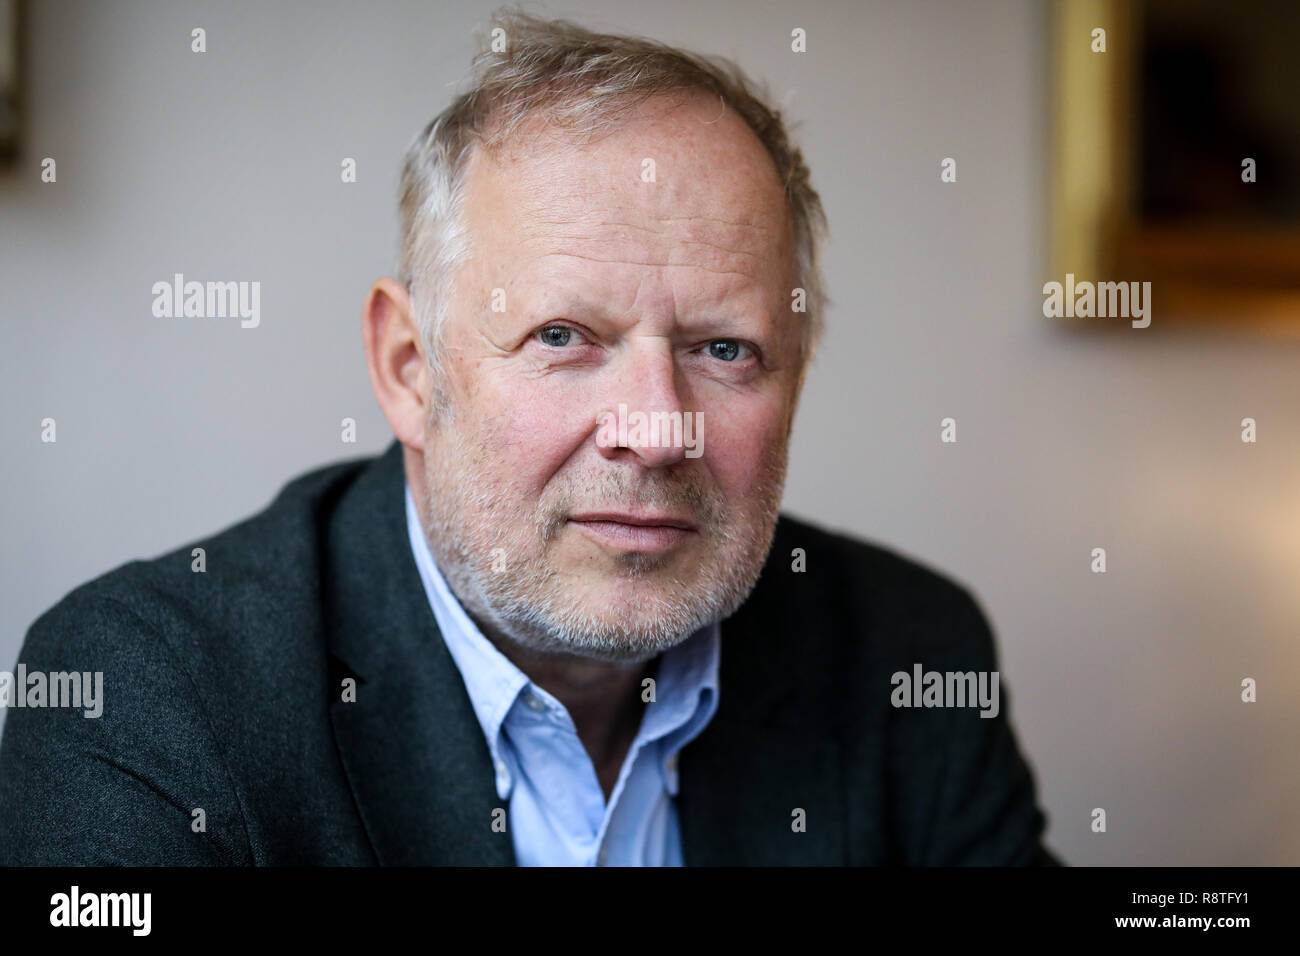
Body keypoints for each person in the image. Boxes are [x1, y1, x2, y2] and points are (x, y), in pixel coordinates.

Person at [0, 9, 1058, 866]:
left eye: (727, 350)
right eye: (563, 336)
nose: (653, 430)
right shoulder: (150, 694)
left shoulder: (908, 651)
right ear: (411, 369)